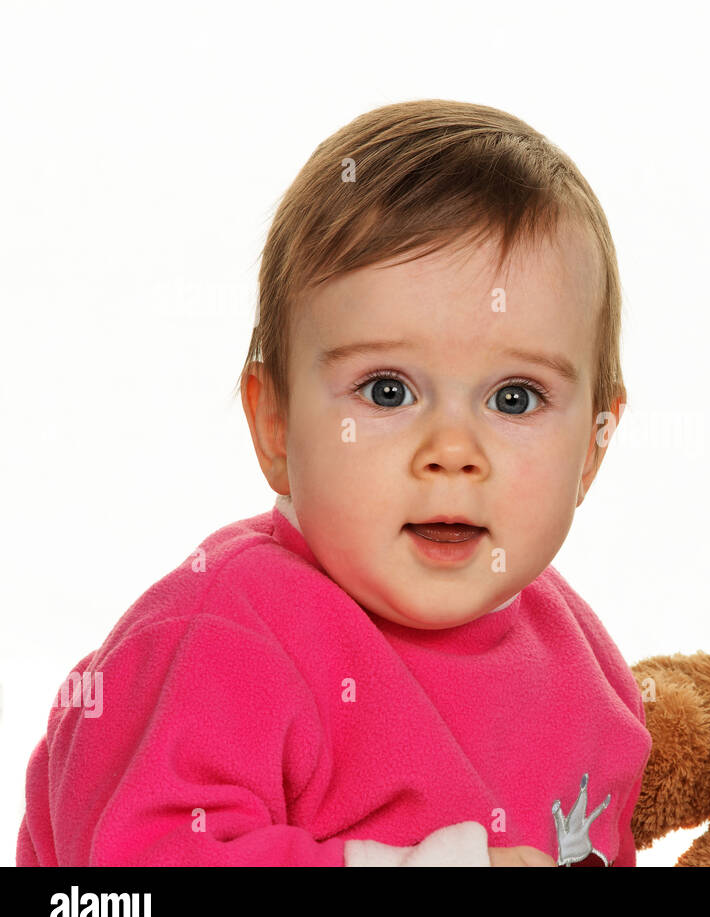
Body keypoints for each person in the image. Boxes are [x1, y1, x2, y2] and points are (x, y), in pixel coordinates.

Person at [17, 100, 650, 866]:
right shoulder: (223, 637)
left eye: (514, 398)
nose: (452, 451)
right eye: (387, 391)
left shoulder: (587, 671)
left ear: (593, 445)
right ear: (277, 425)